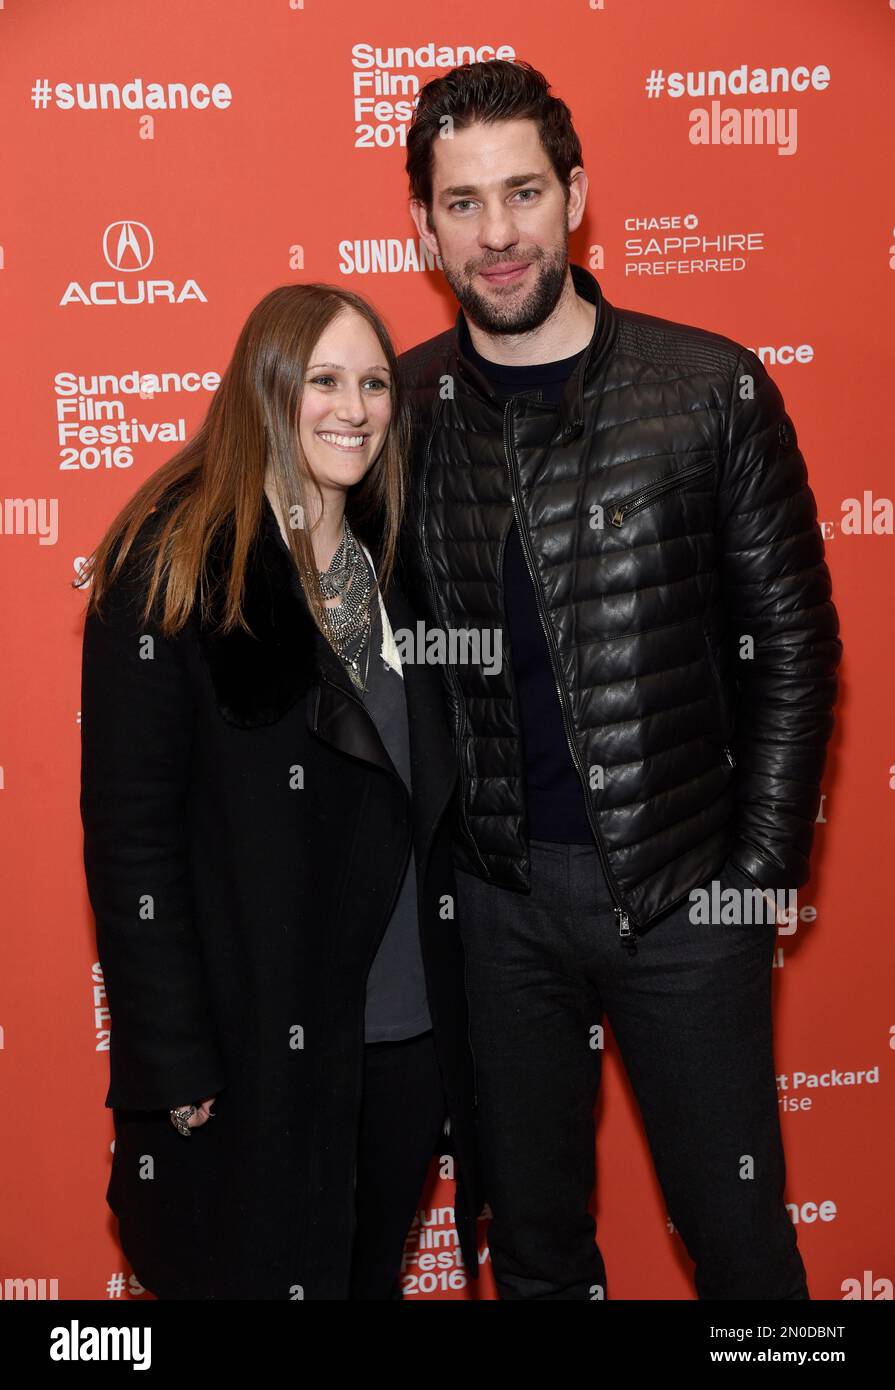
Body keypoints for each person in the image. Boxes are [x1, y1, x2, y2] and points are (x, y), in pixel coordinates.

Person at [395, 59, 842, 1300]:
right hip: (494, 910)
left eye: (523, 192)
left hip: (689, 893)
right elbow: (317, 577)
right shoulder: (407, 406)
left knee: (744, 1249)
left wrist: (753, 881)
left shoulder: (710, 388)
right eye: (465, 203)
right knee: (532, 1250)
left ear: (577, 195)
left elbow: (795, 646)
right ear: (424, 225)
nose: (498, 233)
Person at [78, 284, 481, 1300]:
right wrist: (171, 1055)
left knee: (363, 1274)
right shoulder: (173, 564)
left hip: (399, 1037)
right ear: (267, 388)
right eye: (324, 380)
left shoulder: (396, 562)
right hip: (255, 1040)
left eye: (375, 383)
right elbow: (131, 835)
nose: (353, 407)